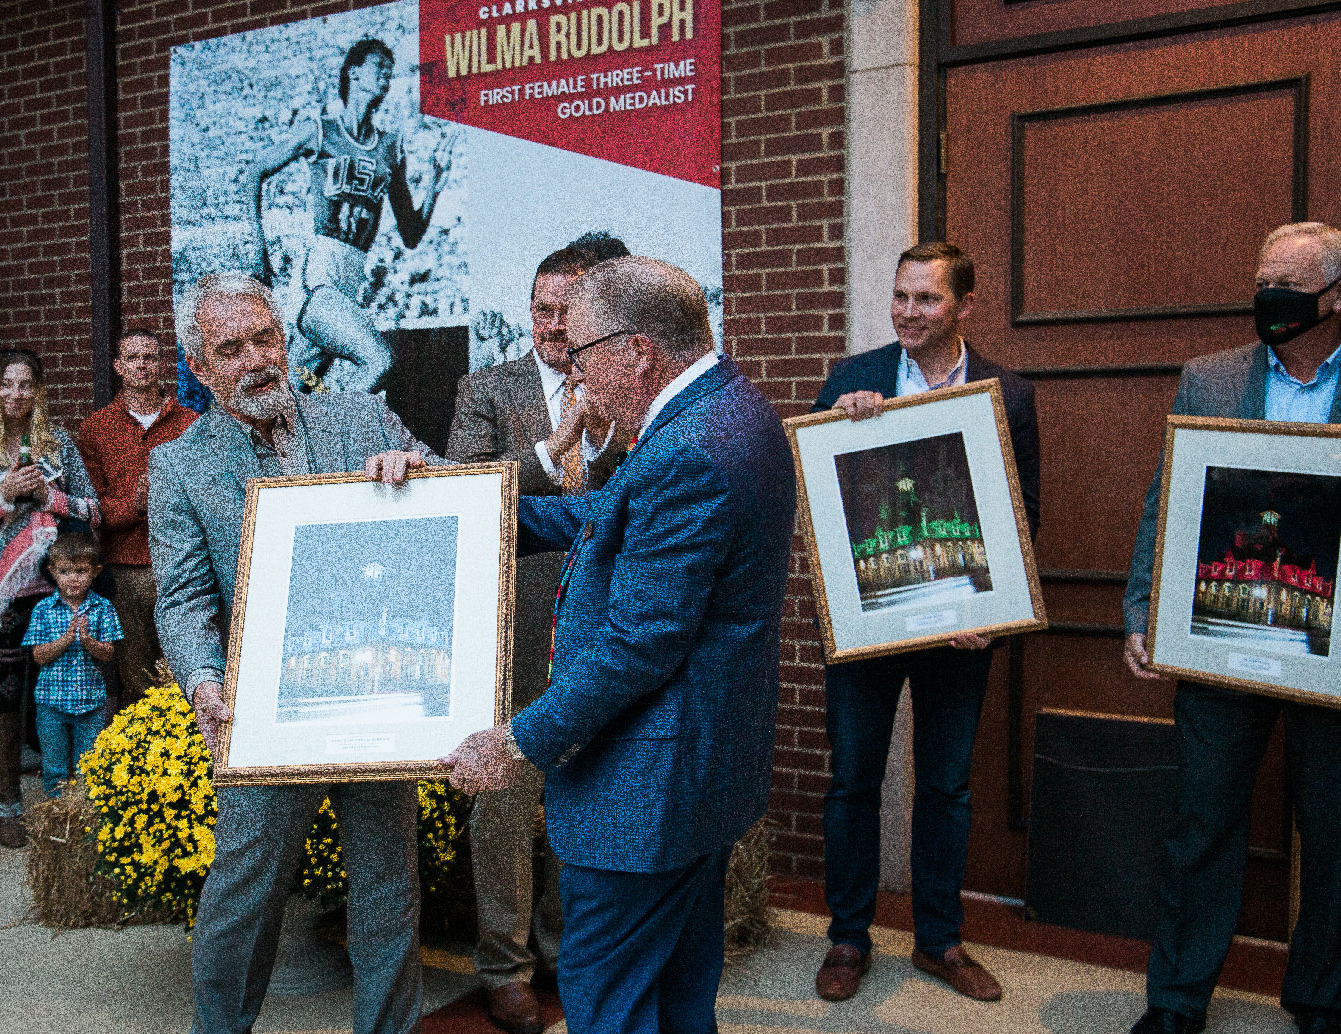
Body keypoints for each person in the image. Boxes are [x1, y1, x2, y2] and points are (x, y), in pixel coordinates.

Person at [443, 256, 797, 1034]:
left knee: (610, 1001)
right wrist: (463, 505)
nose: (573, 375)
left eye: (579, 353)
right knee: (678, 993)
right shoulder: (732, 409)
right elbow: (612, 517)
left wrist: (516, 741)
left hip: (644, 792)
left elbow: (638, 645)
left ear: (636, 351)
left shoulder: (685, 451)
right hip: (698, 774)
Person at [150, 271, 446, 1034]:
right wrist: (203, 682)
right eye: (231, 348)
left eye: (265, 338)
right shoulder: (179, 465)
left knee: (387, 890)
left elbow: (458, 496)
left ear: (285, 339)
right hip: (265, 710)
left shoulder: (361, 417)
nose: (256, 359)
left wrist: (421, 475)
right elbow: (182, 599)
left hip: (376, 693)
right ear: (199, 365)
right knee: (242, 894)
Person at [1122, 222, 1341, 1034]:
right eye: (1262, 281)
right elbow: (1167, 497)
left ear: (1333, 296)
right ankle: (1175, 1001)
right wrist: (1144, 608)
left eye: (1288, 285)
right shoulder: (1208, 379)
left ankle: (1322, 998)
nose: (1270, 297)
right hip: (1220, 632)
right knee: (1201, 821)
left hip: (1332, 650)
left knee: (1333, 833)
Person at [809, 241, 1040, 1005]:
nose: (907, 313)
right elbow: (819, 494)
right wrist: (839, 423)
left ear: (964, 306)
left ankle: (939, 940)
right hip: (868, 619)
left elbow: (1024, 514)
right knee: (852, 781)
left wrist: (993, 614)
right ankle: (847, 937)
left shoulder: (1006, 395)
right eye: (900, 296)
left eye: (927, 299)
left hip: (960, 627)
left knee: (945, 786)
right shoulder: (851, 379)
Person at [445, 243, 623, 1034]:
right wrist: (555, 448)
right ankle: (504, 966)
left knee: (583, 783)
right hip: (513, 621)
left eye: (566, 311)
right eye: (540, 309)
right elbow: (464, 486)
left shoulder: (623, 386)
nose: (552, 326)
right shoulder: (486, 388)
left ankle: (561, 950)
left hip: (601, 622)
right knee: (506, 797)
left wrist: (602, 435)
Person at [0, 348, 101, 848]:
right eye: (7, 384)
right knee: (4, 694)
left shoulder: (58, 443)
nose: (16, 393)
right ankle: (8, 803)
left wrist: (48, 498)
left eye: (26, 384)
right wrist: (3, 495)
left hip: (60, 590)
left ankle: (74, 797)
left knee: (68, 685)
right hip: (2, 598)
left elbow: (92, 511)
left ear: (39, 391)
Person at [245, 37, 453, 393]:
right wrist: (258, 246)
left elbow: (410, 234)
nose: (386, 75)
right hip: (318, 279)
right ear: (353, 72)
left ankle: (298, 420)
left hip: (351, 280)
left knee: (299, 386)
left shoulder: (389, 146)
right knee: (379, 361)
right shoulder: (320, 130)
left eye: (391, 71)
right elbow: (255, 171)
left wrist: (432, 186)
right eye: (379, 67)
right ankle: (339, 421)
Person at [76, 329, 198, 708]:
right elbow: (91, 508)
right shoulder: (96, 429)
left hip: (182, 564)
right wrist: (135, 504)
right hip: (126, 570)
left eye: (149, 357)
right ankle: (142, 743)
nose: (141, 365)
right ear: (118, 366)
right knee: (136, 677)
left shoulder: (190, 423)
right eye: (132, 358)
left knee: (190, 668)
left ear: (161, 364)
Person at [21, 533, 124, 798]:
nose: (73, 578)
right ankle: (57, 817)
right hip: (51, 702)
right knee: (54, 769)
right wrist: (66, 639)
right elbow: (39, 656)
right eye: (65, 571)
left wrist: (88, 641)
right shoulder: (43, 609)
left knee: (88, 769)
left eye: (81, 571)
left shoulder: (103, 608)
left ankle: (85, 818)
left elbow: (108, 654)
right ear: (53, 572)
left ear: (95, 572)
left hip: (90, 702)